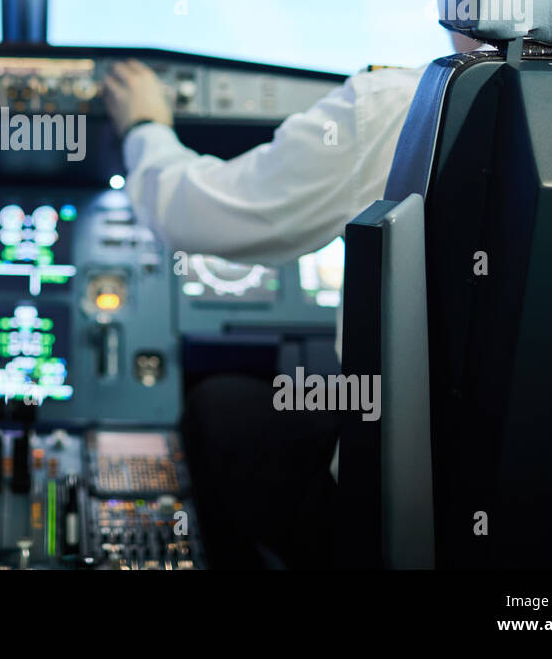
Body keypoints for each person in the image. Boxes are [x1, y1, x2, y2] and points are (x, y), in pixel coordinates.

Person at [101, 31, 482, 568]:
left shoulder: (401, 107)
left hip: (399, 522)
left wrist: (144, 127)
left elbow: (193, 211)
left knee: (219, 405)